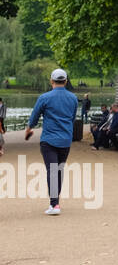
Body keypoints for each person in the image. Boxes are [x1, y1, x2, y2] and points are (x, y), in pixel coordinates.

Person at [26, 68, 78, 215]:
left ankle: (54, 204)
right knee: (59, 170)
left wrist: (29, 127)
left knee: (52, 170)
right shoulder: (73, 98)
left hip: (49, 139)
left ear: (51, 81)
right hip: (65, 139)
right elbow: (72, 118)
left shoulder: (44, 97)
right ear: (66, 81)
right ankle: (55, 202)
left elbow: (35, 116)